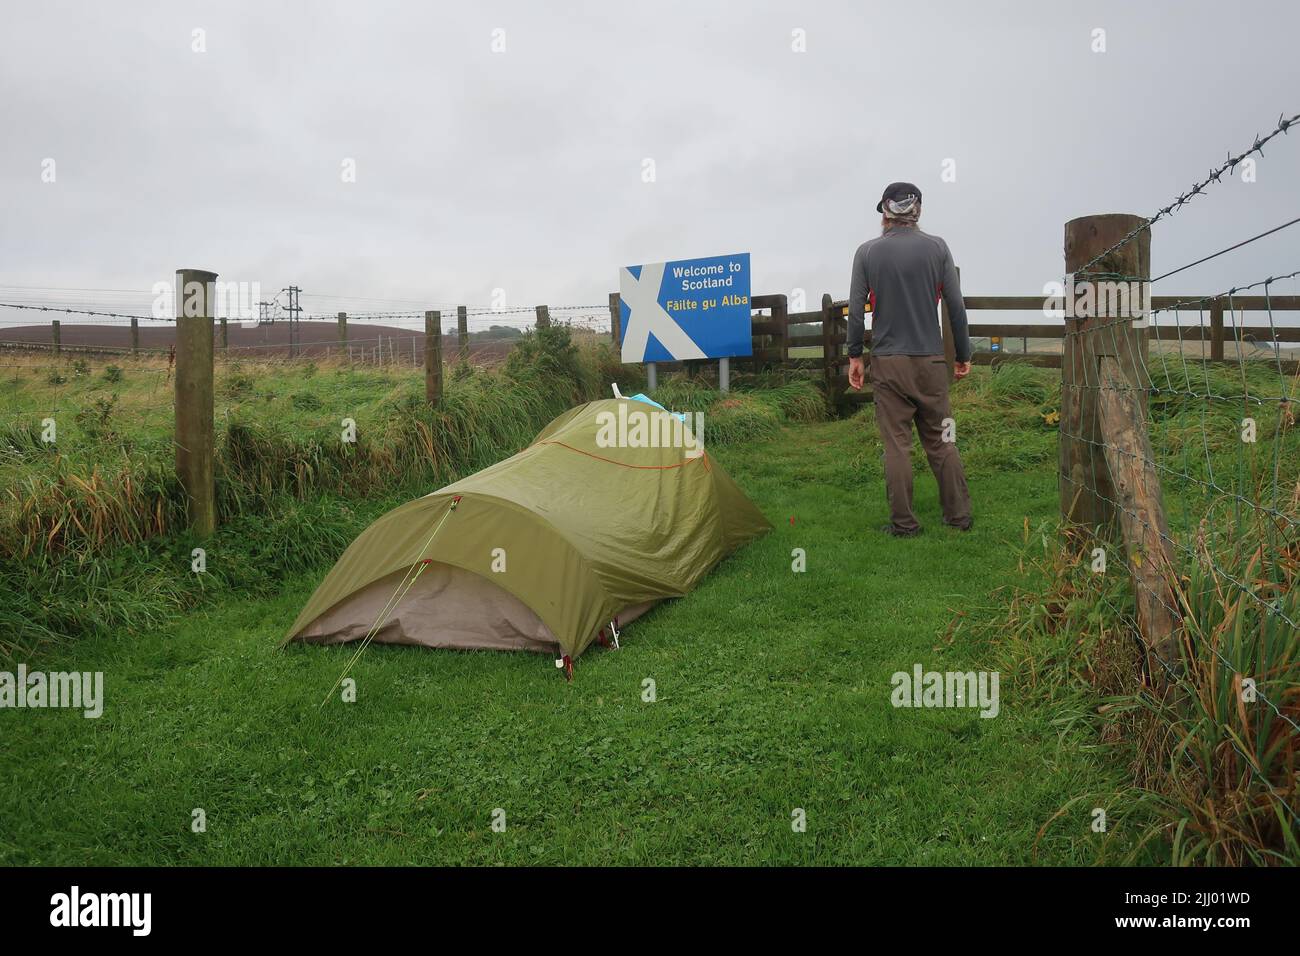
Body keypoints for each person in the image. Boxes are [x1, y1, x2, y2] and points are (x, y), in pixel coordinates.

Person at [846, 182, 973, 536]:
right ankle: (959, 516)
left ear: (886, 212)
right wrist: (963, 354)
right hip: (931, 362)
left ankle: (904, 524)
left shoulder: (867, 253)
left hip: (888, 362)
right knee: (942, 440)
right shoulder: (938, 248)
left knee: (896, 445)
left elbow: (857, 311)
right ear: (919, 211)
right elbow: (956, 307)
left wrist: (855, 355)